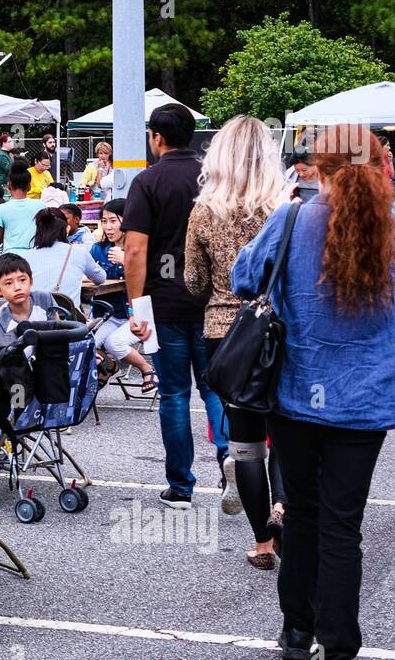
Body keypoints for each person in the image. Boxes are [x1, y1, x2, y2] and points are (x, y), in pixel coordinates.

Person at [232, 124, 395, 660]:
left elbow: (245, 278)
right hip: (364, 401)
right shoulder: (387, 224)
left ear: (318, 164)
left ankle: (297, 631)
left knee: (301, 511)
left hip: (294, 395)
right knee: (343, 526)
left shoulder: (292, 218)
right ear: (377, 165)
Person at [185, 116, 291, 568]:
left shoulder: (204, 209)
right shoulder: (286, 206)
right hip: (281, 330)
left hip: (225, 335)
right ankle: (284, 506)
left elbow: (192, 281)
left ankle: (262, 544)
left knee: (246, 444)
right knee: (286, 431)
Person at [122, 102, 227, 509]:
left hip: (163, 304)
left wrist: (136, 308)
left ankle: (181, 486)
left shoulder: (148, 182)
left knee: (175, 395)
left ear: (157, 137)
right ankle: (232, 461)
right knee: (216, 390)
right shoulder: (214, 180)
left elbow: (135, 251)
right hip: (213, 303)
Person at [90, 198, 157, 391]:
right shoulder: (98, 249)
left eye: (113, 221)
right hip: (109, 314)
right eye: (104, 221)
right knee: (86, 343)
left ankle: (148, 370)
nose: (108, 227)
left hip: (137, 314)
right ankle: (109, 366)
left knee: (114, 342)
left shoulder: (141, 250)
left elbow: (155, 280)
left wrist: (128, 261)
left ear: (127, 222)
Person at [22, 207, 105, 300]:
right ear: (66, 228)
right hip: (67, 312)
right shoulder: (79, 252)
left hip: (35, 313)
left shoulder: (25, 256)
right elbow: (101, 278)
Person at [0, 253, 58, 334]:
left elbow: (58, 330)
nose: (17, 287)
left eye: (22, 280)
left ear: (31, 281)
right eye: (8, 283)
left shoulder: (44, 299)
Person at [0, 161, 45, 252]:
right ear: (29, 186)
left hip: (9, 258)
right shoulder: (41, 206)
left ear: (8, 185)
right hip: (35, 256)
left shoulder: (0, 209)